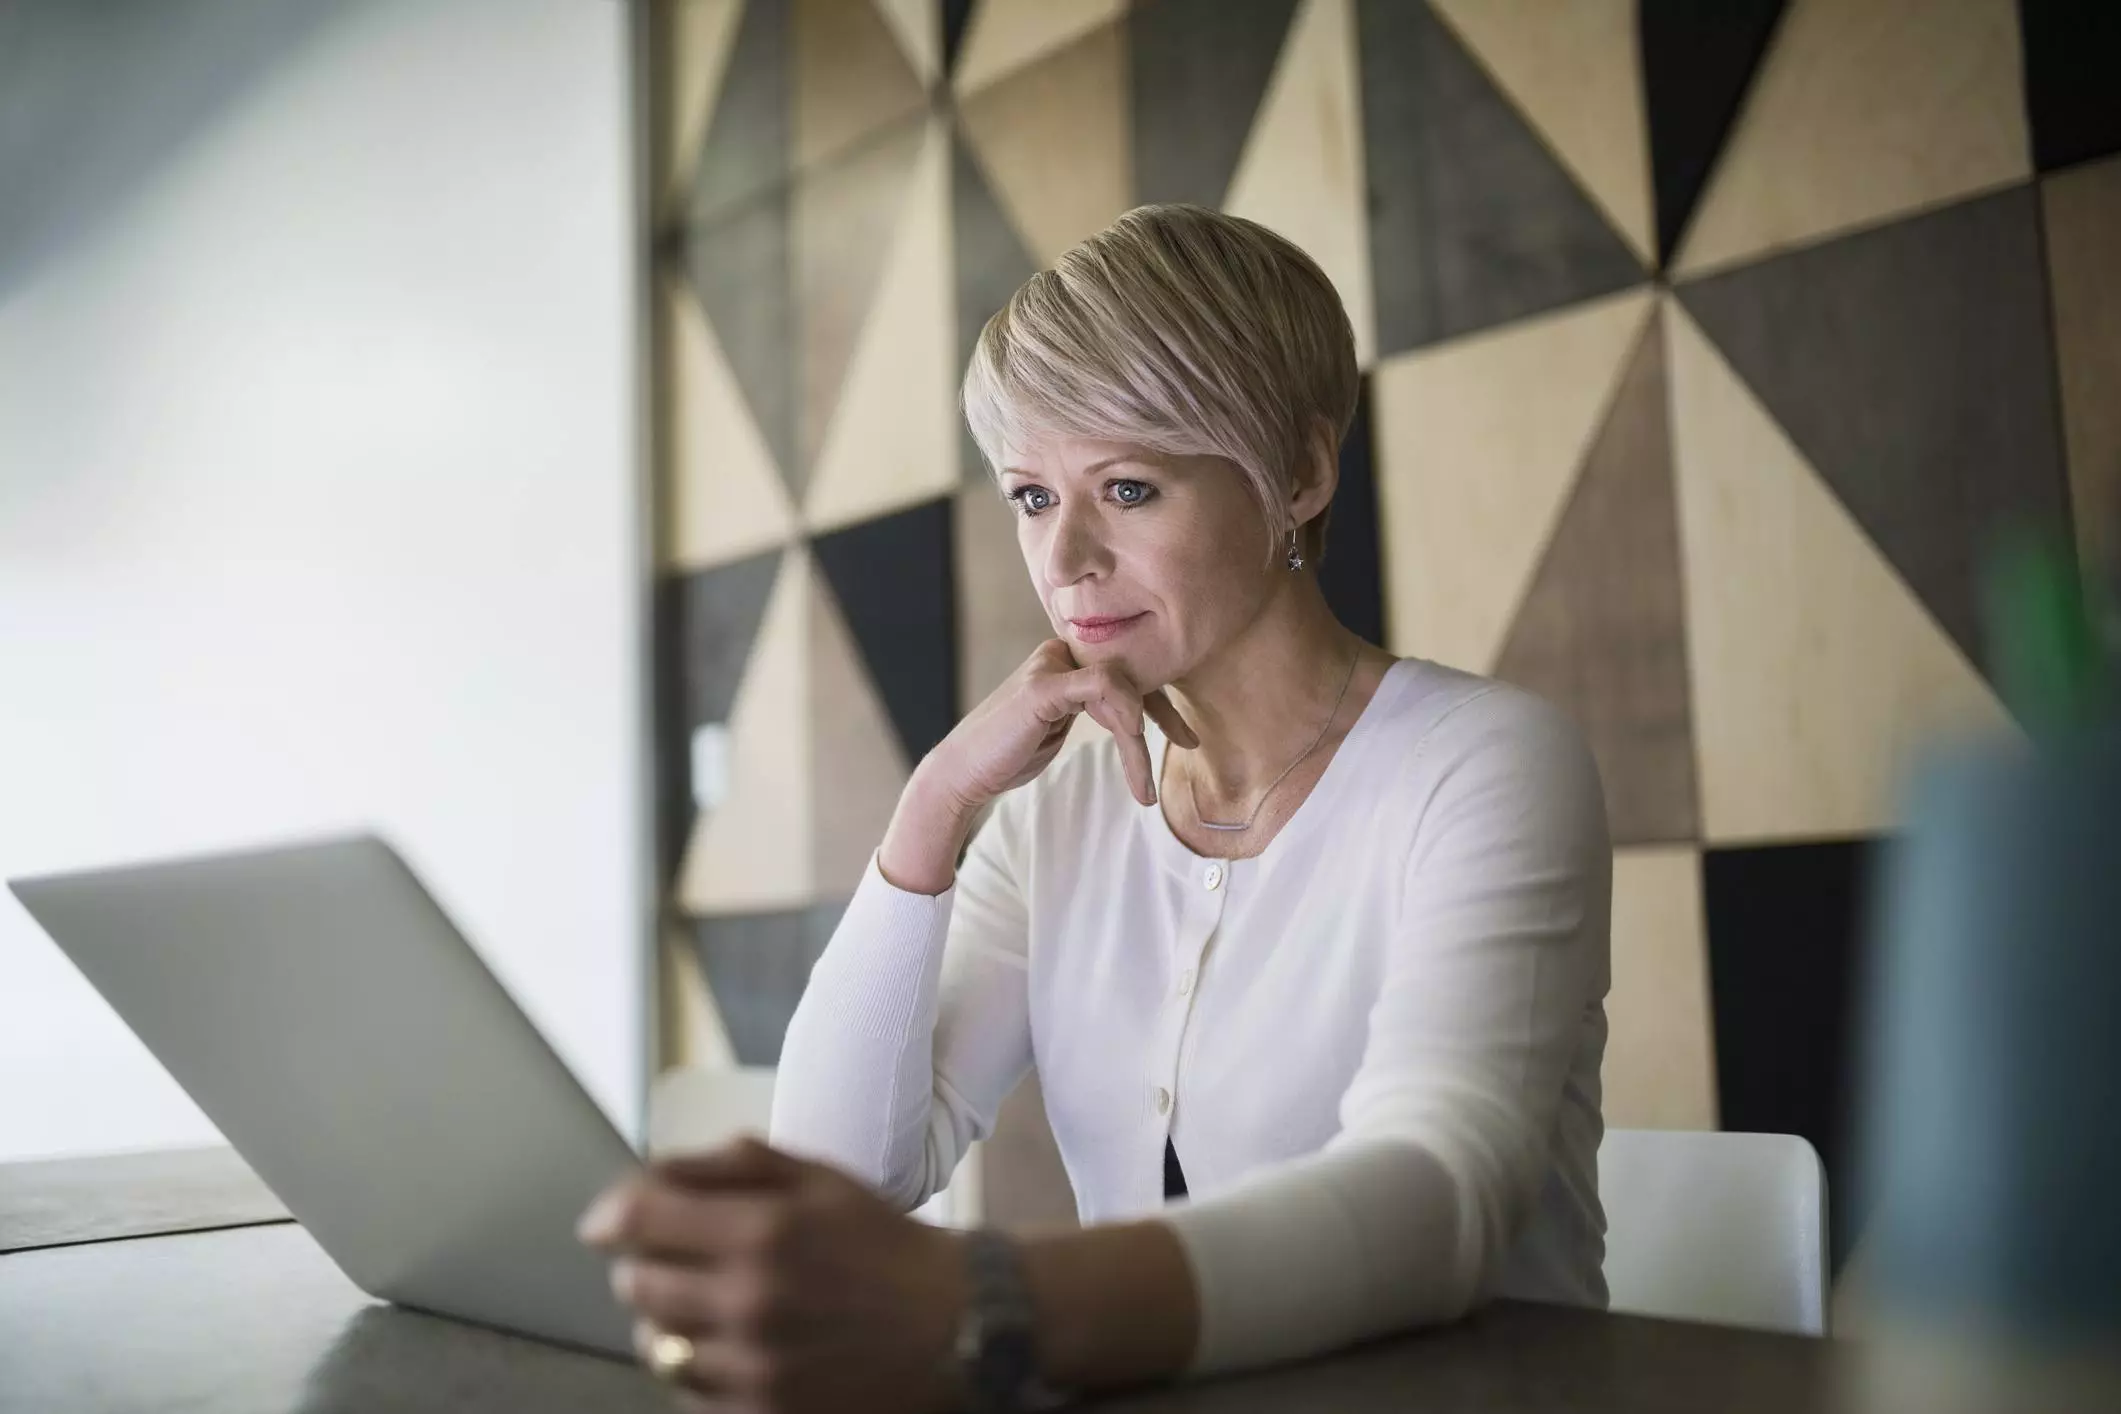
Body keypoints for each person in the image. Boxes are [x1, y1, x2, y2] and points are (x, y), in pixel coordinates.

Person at [580, 203, 1612, 1413]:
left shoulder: (1484, 764)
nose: (1064, 556)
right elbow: (846, 1175)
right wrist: (933, 810)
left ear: (1300, 472)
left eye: (1126, 487)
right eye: (1030, 495)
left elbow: (1437, 1197)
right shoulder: (1055, 807)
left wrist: (982, 1300)